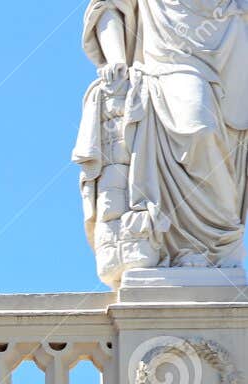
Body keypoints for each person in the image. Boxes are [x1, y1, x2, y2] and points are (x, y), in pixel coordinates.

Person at [75, 0, 248, 287]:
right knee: (199, 131)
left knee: (225, 153)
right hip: (171, 64)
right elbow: (108, 7)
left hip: (230, 55)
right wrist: (117, 59)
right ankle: (195, 245)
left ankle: (210, 249)